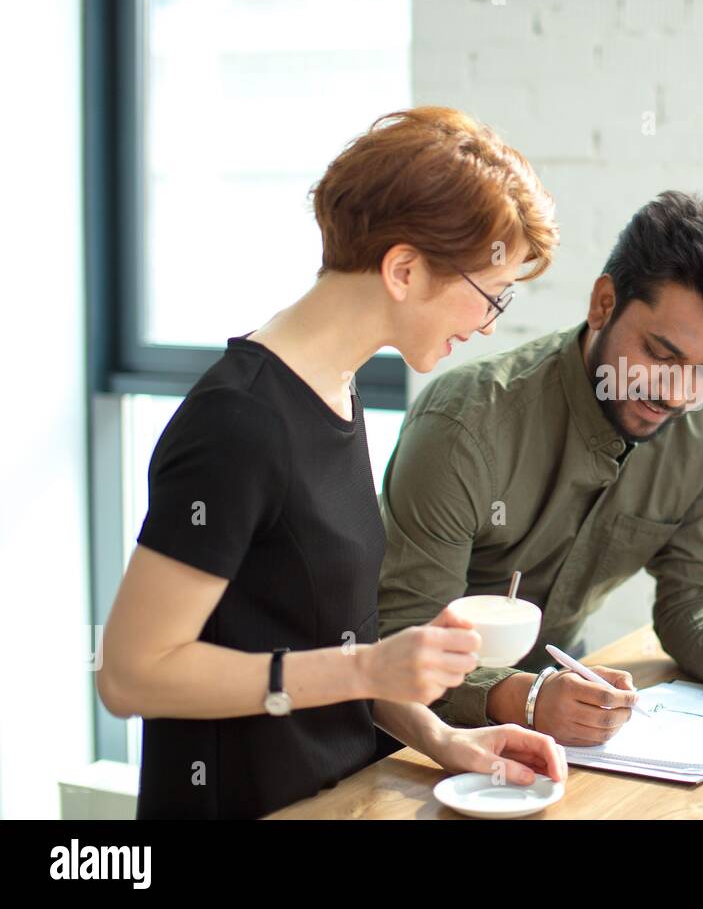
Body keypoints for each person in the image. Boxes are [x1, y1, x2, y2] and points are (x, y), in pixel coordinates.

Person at [97, 107, 567, 819]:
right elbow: (131, 676)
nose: (488, 326)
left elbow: (325, 640)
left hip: (345, 796)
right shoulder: (237, 423)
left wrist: (444, 737)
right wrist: (368, 666)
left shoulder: (336, 390)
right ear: (403, 269)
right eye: (488, 295)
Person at [377, 190, 703, 750]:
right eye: (661, 355)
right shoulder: (465, 427)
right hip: (415, 745)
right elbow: (402, 636)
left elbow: (696, 594)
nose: (678, 393)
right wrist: (524, 697)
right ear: (603, 304)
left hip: (570, 740)